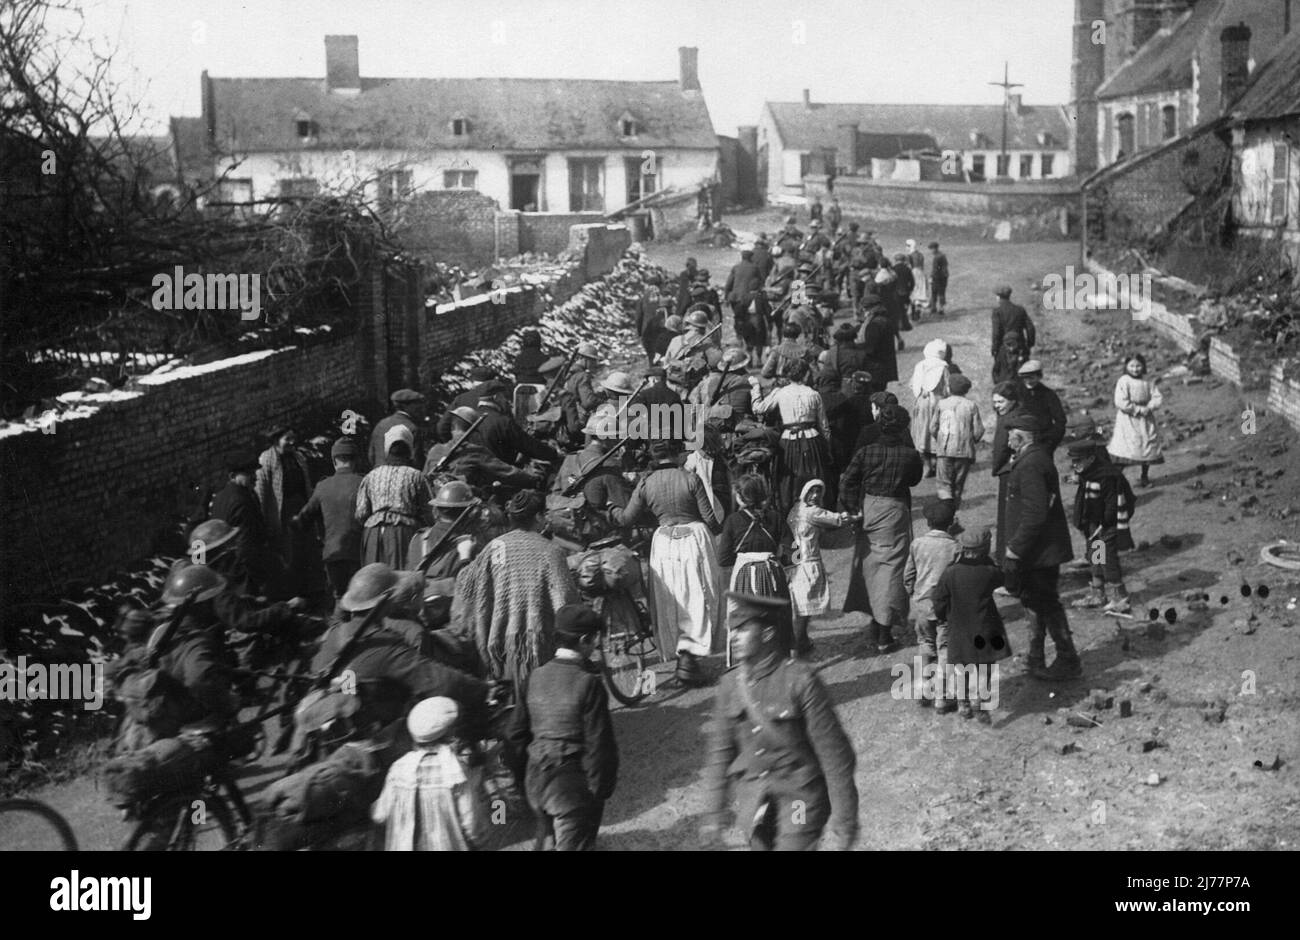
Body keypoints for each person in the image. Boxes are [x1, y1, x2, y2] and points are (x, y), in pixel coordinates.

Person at [700, 592, 859, 851]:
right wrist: (712, 815)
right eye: (733, 630)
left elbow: (835, 756)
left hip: (799, 798)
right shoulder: (730, 685)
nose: (734, 637)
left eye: (743, 630)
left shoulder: (800, 680)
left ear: (767, 634)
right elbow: (720, 753)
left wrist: (845, 819)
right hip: (754, 798)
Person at [504, 603, 619, 851]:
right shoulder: (588, 683)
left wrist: (521, 781)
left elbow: (514, 735)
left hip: (535, 781)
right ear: (585, 640)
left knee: (547, 841)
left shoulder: (534, 676)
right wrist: (600, 790)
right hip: (569, 789)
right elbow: (600, 745)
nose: (596, 645)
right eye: (595, 639)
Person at [611, 440, 722, 687]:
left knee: (671, 599)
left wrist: (611, 508)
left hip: (664, 543)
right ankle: (690, 660)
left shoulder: (646, 483)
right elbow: (710, 519)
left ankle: (683, 658)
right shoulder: (690, 479)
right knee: (698, 597)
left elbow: (626, 518)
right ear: (677, 454)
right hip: (694, 538)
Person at [106, 563, 240, 753]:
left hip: (159, 716)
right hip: (187, 717)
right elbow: (199, 680)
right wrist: (226, 702)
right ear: (204, 605)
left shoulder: (160, 631)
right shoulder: (195, 640)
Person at [452, 490, 578, 686]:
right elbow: (565, 600)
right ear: (538, 517)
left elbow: (466, 583)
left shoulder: (495, 547)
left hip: (499, 644)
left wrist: (464, 557)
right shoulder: (552, 551)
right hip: (539, 645)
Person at [1000, 412, 1081, 681]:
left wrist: (1016, 548)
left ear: (1021, 436)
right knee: (1034, 601)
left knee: (1047, 603)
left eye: (1010, 434)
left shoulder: (1031, 464)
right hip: (1039, 550)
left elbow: (1035, 514)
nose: (1006, 439)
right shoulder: (1034, 458)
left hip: (1038, 552)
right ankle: (1036, 655)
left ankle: (1068, 659)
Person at [838, 403, 924, 653]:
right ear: (904, 427)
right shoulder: (910, 455)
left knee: (869, 567)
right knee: (892, 570)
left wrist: (853, 509)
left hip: (869, 508)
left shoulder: (866, 452)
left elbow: (847, 482)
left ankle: (875, 623)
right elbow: (914, 480)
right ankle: (884, 633)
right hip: (895, 510)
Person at [371, 696, 489, 851]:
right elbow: (471, 820)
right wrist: (479, 841)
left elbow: (380, 814)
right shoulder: (455, 771)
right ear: (449, 734)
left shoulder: (399, 767)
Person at [933, 526, 1010, 723]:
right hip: (986, 627)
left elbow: (939, 599)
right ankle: (978, 701)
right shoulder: (989, 572)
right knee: (986, 666)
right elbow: (1004, 578)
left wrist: (943, 616)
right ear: (986, 549)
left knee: (961, 667)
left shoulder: (951, 572)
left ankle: (963, 703)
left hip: (959, 628)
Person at [716, 474, 791, 655]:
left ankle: (749, 656)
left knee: (747, 619)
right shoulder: (776, 517)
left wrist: (744, 559)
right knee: (776, 616)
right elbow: (794, 549)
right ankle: (779, 654)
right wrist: (785, 564)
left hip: (745, 575)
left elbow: (723, 558)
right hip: (772, 574)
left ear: (740, 497)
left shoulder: (732, 520)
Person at [750, 360, 831, 521]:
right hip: (812, 441)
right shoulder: (814, 394)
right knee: (812, 477)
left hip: (788, 441)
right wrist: (827, 449)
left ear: (788, 375)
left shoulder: (781, 393)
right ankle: (812, 517)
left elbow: (758, 409)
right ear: (806, 374)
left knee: (788, 480)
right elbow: (824, 426)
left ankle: (789, 518)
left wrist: (756, 388)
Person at [786, 480, 857, 659]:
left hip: (793, 562)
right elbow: (838, 519)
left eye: (818, 491)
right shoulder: (813, 512)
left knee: (800, 607)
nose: (815, 495)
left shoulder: (795, 509)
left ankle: (801, 641)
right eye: (811, 491)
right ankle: (796, 649)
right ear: (803, 492)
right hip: (808, 564)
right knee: (803, 610)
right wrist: (856, 517)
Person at [1068, 439, 1136, 617]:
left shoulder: (1107, 476)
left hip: (1107, 524)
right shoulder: (1089, 473)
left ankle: (1121, 599)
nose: (1075, 465)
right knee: (1096, 556)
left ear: (1091, 458)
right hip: (1094, 523)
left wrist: (1104, 524)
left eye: (1078, 460)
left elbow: (1112, 504)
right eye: (1073, 461)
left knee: (1108, 559)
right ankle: (1098, 593)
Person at [293, 436, 365, 606]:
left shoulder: (322, 486)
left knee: (339, 599)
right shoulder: (363, 482)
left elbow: (303, 518)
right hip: (359, 553)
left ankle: (338, 621)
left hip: (333, 553)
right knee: (361, 600)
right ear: (355, 460)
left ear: (334, 461)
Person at [903, 499, 960, 712]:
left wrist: (914, 594)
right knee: (945, 648)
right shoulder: (956, 547)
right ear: (951, 523)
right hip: (946, 606)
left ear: (928, 522)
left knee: (925, 644)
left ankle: (922, 690)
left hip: (922, 604)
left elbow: (908, 576)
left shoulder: (917, 544)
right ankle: (942, 697)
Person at [355, 426, 434, 570]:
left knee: (374, 578)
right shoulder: (416, 476)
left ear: (387, 449)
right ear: (409, 449)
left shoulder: (371, 476)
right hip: (402, 533)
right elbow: (430, 513)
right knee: (399, 577)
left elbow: (361, 513)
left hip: (373, 534)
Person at [256, 425, 315, 598]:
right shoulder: (266, 459)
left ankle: (307, 589)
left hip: (300, 509)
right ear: (276, 440)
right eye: (287, 439)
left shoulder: (298, 457)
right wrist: (263, 519)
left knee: (304, 549)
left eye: (293, 438)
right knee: (287, 553)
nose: (291, 442)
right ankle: (291, 593)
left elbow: (307, 483)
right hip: (280, 513)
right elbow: (261, 490)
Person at [1107, 352, 1164, 487]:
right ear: (1126, 366)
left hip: (1145, 420)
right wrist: (1136, 409)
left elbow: (1157, 397)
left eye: (1138, 366)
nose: (1135, 369)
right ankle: (1114, 481)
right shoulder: (1124, 381)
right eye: (1131, 366)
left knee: (1146, 447)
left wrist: (1149, 407)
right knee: (1126, 449)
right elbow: (1120, 401)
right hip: (1128, 419)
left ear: (1143, 366)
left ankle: (1144, 477)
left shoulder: (1147, 381)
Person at [930, 373, 984, 510]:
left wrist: (940, 439)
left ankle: (946, 513)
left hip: (944, 450)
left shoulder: (942, 404)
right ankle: (954, 511)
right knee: (958, 485)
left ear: (949, 388)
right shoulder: (971, 405)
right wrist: (970, 441)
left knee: (944, 484)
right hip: (964, 451)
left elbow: (932, 427)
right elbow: (979, 431)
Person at [910, 339, 951, 478]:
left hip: (922, 402)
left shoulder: (920, 365)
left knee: (922, 432)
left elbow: (913, 384)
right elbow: (947, 387)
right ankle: (935, 462)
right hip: (938, 402)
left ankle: (926, 464)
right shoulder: (943, 367)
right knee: (936, 431)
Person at [1017, 360, 1067, 452]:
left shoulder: (1049, 394)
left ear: (1039, 376)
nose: (1028, 381)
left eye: (1031, 378)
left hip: (1043, 441)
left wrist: (1051, 441)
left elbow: (1060, 420)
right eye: (1025, 378)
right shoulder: (1017, 393)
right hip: (1021, 441)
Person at [371, 390, 427, 470]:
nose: (420, 409)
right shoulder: (412, 428)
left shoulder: (381, 424)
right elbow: (417, 461)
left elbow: (371, 455)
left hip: (378, 474)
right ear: (406, 406)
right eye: (416, 405)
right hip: (403, 475)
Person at [856, 296, 898, 392]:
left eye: (865, 309)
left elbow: (870, 348)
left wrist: (856, 348)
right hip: (885, 367)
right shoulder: (885, 320)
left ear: (871, 309)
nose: (864, 312)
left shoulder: (874, 324)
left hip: (875, 368)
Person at [991, 286, 1036, 359]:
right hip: (1020, 347)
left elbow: (996, 333)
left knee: (999, 366)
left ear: (999, 297)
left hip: (1004, 348)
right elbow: (1030, 328)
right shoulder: (1020, 310)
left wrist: (994, 348)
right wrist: (1029, 345)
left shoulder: (997, 312)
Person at [906, 238, 928, 319]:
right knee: (920, 292)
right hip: (921, 273)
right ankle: (918, 311)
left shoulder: (909, 256)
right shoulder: (920, 254)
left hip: (914, 274)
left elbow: (909, 266)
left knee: (913, 293)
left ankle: (914, 313)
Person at [928, 242, 948, 317]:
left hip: (937, 277)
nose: (931, 251)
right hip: (944, 276)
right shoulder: (942, 255)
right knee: (942, 293)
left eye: (931, 249)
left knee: (934, 293)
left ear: (935, 248)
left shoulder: (936, 257)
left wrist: (931, 277)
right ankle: (941, 309)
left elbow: (935, 269)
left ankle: (933, 309)